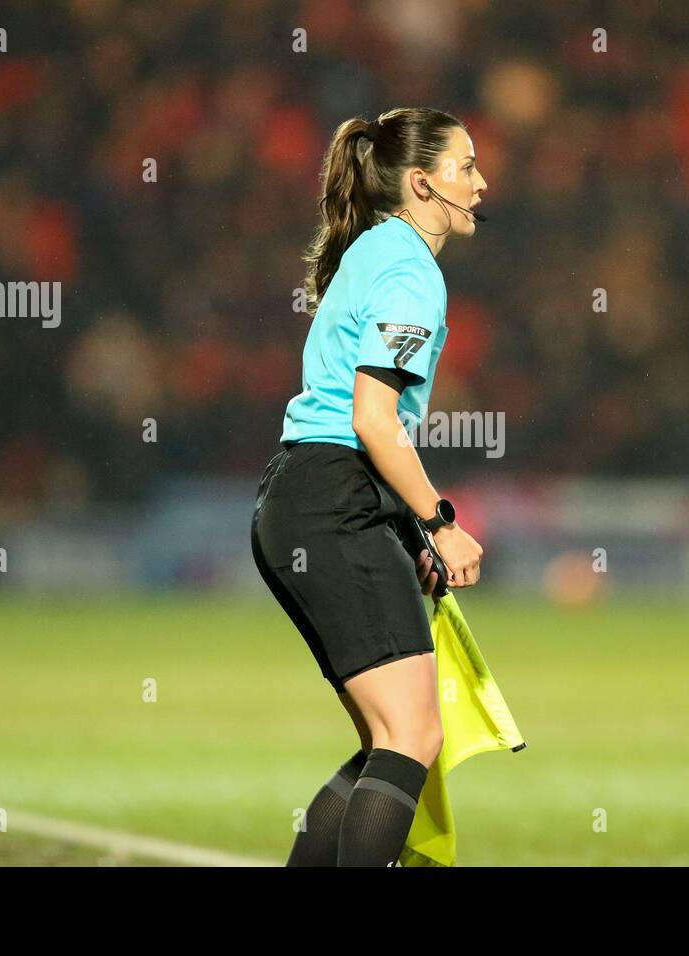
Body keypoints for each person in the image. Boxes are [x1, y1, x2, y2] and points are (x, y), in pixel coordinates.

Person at [250, 107, 488, 866]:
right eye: (465, 168)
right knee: (412, 736)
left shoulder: (373, 251)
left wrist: (407, 531)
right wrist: (440, 521)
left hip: (300, 499)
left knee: (388, 742)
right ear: (422, 183)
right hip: (331, 500)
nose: (481, 184)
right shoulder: (412, 267)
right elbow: (374, 422)